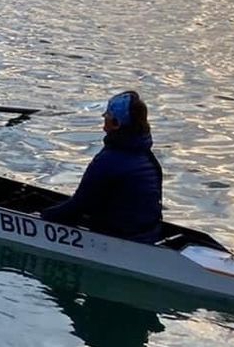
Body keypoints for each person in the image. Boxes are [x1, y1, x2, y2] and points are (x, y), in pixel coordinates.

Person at [39, 90, 163, 243]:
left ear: (116, 124)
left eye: (106, 118)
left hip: (120, 240)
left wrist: (44, 216)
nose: (104, 127)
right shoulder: (148, 157)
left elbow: (79, 205)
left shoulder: (109, 160)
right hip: (149, 234)